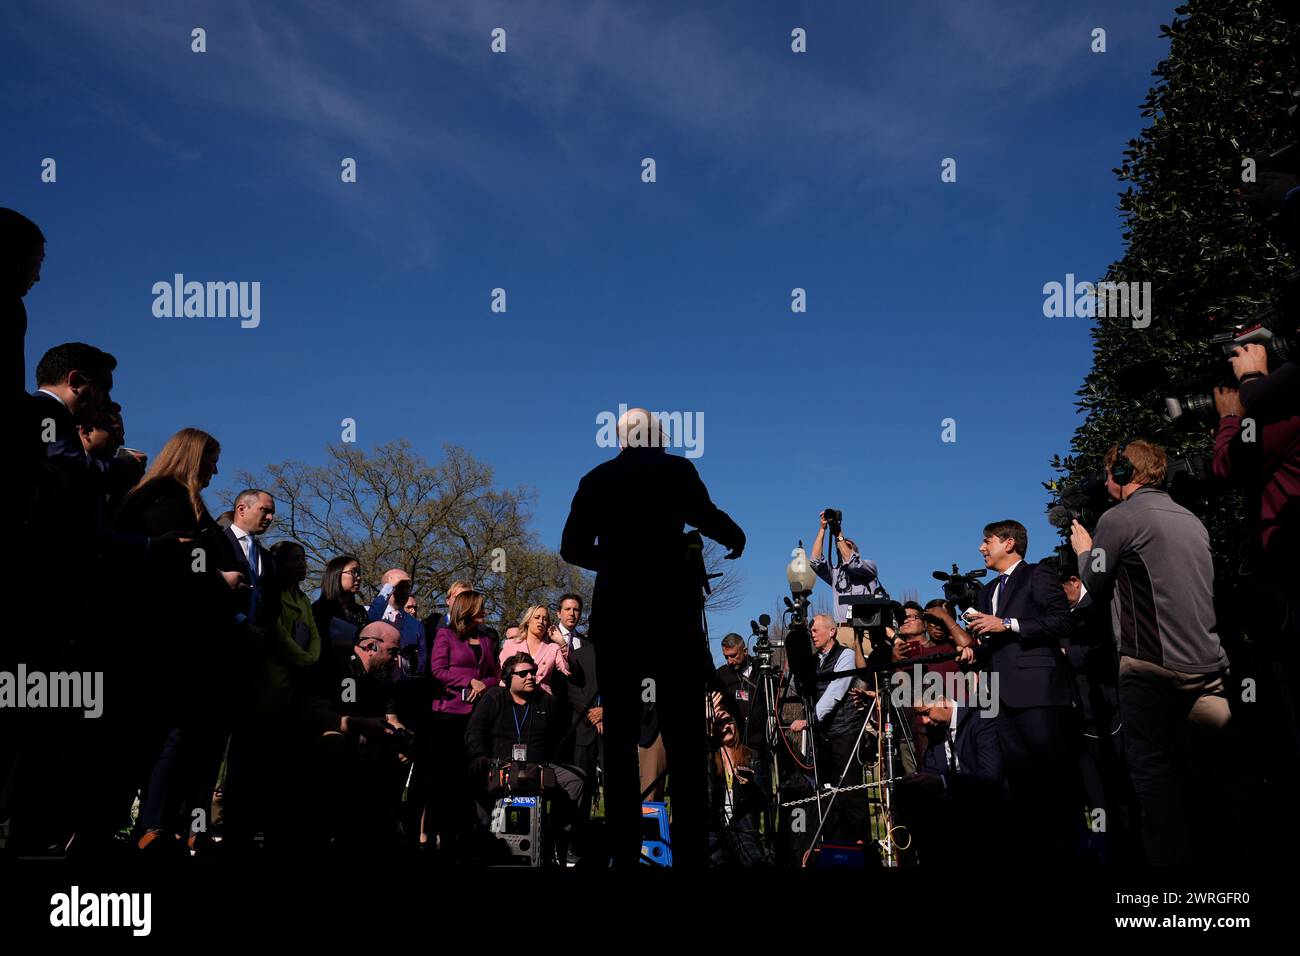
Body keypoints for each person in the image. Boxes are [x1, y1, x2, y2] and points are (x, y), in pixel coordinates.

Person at [560, 406, 745, 869]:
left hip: (619, 619)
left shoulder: (596, 479)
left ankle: (624, 853)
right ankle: (691, 855)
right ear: (659, 439)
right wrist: (733, 536)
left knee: (620, 738)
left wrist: (619, 561)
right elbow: (704, 515)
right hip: (670, 618)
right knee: (684, 736)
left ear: (620, 440)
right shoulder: (676, 470)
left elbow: (572, 547)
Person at [1070, 439, 1231, 866]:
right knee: (1209, 777)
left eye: (1108, 473)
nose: (1105, 483)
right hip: (1211, 669)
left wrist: (1085, 550)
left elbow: (1097, 583)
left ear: (1123, 474)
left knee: (1155, 781)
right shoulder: (1190, 517)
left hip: (1152, 667)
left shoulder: (1119, 516)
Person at [109, 428, 244, 853]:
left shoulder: (185, 503)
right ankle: (144, 826)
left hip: (184, 642)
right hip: (161, 641)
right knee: (158, 735)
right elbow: (176, 561)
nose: (216, 470)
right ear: (193, 457)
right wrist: (219, 581)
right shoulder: (166, 500)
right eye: (211, 460)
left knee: (173, 737)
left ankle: (157, 824)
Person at [964, 518, 1076, 863]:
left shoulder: (1037, 575)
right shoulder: (986, 591)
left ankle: (1068, 850)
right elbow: (995, 644)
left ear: (1009, 543)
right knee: (1020, 785)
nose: (982, 548)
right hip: (1002, 695)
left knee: (1051, 782)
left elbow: (1062, 620)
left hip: (1039, 692)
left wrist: (1007, 623)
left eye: (988, 541)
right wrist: (973, 650)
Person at [466, 652, 585, 863]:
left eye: (533, 672)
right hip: (499, 765)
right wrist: (480, 757)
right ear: (508, 677)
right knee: (478, 770)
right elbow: (474, 732)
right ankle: (481, 842)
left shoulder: (547, 702)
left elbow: (560, 739)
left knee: (576, 779)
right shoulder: (494, 697)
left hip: (539, 767)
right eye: (523, 673)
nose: (531, 677)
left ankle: (560, 843)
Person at [428, 589, 500, 856]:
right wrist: (468, 681)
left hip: (478, 717)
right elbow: (438, 671)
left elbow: (495, 674)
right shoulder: (445, 635)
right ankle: (445, 840)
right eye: (481, 607)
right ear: (468, 609)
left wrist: (484, 685)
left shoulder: (486, 639)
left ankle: (472, 839)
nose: (485, 611)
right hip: (449, 716)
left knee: (474, 780)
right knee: (448, 781)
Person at [789, 614, 871, 844]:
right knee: (827, 792)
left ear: (831, 631)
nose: (812, 635)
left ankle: (860, 845)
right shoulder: (814, 661)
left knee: (851, 791)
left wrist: (810, 720)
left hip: (845, 733)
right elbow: (803, 689)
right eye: (811, 631)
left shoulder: (844, 655)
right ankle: (835, 844)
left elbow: (835, 692)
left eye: (816, 630)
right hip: (824, 737)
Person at [810, 510, 887, 667]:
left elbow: (851, 562)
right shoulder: (836, 573)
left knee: (866, 675)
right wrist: (823, 529)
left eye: (847, 546)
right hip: (841, 630)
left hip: (865, 631)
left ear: (856, 551)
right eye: (840, 546)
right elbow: (815, 562)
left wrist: (839, 535)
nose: (842, 547)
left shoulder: (869, 568)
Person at [498, 604, 571, 695]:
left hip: (540, 699)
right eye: (537, 617)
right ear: (528, 621)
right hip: (510, 697)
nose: (541, 621)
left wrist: (561, 642)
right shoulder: (511, 644)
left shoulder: (552, 648)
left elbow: (567, 670)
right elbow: (504, 672)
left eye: (545, 619)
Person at [369, 568, 426, 679]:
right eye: (399, 586)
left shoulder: (415, 625)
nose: (405, 591)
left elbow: (422, 657)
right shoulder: (373, 615)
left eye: (407, 587)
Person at [311, 554, 371, 646]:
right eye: (353, 572)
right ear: (336, 574)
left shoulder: (360, 612)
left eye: (359, 573)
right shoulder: (319, 609)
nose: (358, 578)